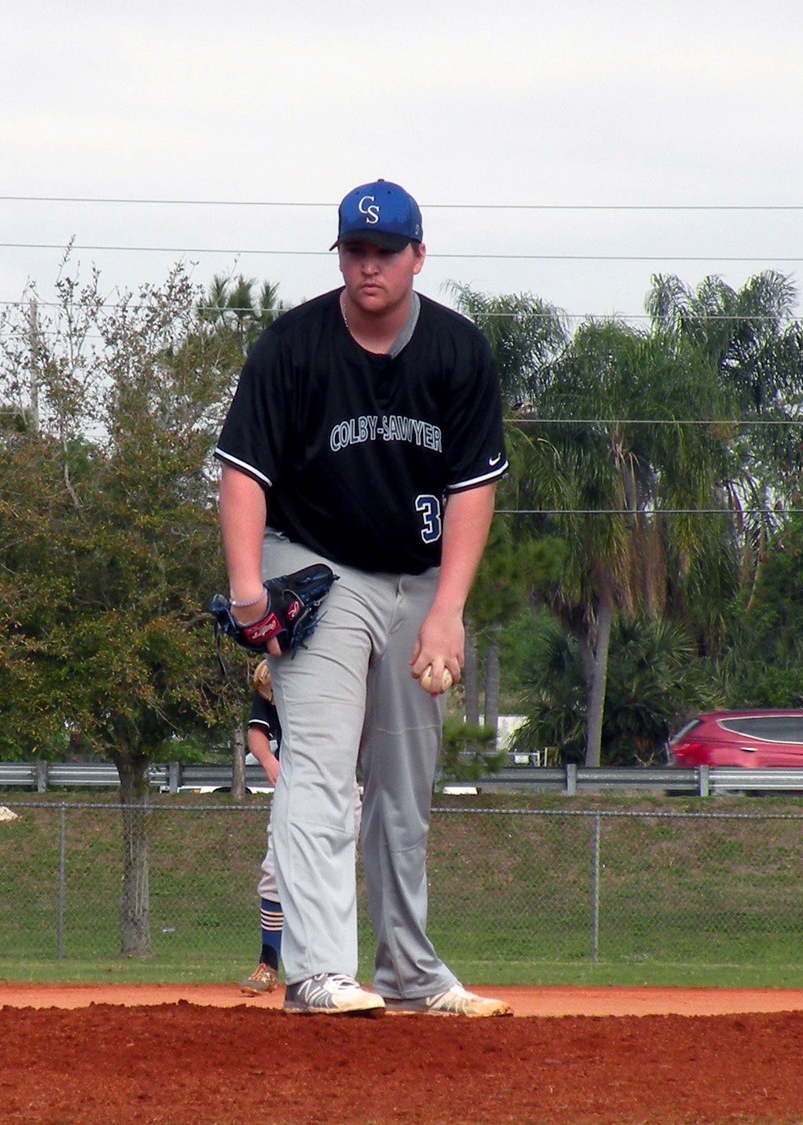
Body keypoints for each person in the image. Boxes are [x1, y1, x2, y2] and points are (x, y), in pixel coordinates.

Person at [214, 178, 511, 1017]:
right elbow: (243, 473)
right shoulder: (294, 346)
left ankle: (411, 972)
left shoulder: (457, 353)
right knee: (318, 764)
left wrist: (449, 608)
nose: (369, 264)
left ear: (419, 256)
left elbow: (471, 489)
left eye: (386, 250)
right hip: (315, 568)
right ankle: (315, 971)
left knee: (405, 783)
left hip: (416, 579)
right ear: (340, 255)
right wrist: (247, 591)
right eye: (355, 250)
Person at [238, 659, 285, 995]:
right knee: (275, 873)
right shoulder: (276, 672)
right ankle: (268, 964)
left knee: (337, 874)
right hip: (295, 784)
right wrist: (268, 759)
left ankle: (332, 969)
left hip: (344, 783)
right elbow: (257, 731)